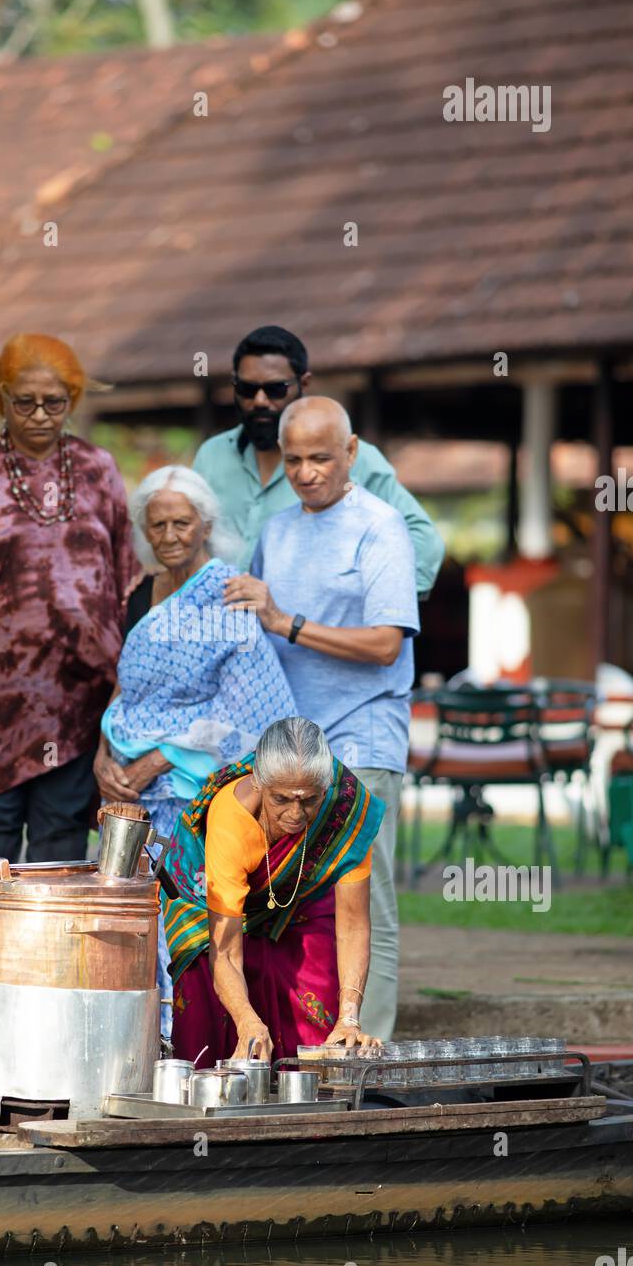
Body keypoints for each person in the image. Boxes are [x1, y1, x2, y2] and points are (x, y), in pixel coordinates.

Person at [225, 397, 419, 1042]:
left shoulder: (380, 526)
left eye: (321, 458)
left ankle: (371, 1052)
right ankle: (302, 1049)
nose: (307, 472)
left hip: (361, 739)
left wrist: (289, 623)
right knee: (288, 906)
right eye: (294, 460)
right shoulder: (276, 530)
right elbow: (248, 624)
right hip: (288, 753)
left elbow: (386, 644)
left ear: (352, 452)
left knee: (364, 906)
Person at [0, 332, 138, 874]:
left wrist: (129, 679)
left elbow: (126, 577)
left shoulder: (98, 468)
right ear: (2, 397)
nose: (39, 414)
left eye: (54, 402)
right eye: (24, 402)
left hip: (81, 696)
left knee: (61, 840)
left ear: (72, 401)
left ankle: (52, 962)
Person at [94, 465, 297, 1035]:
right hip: (125, 791)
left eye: (182, 522)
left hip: (189, 796)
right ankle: (136, 1043)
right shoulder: (141, 593)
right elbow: (126, 688)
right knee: (130, 921)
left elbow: (243, 713)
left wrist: (157, 760)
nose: (170, 534)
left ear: (205, 525)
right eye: (157, 524)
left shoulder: (224, 592)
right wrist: (101, 756)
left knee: (192, 925)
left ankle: (189, 1045)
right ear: (143, 530)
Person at [162, 717, 385, 1062]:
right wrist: (247, 1022)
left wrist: (349, 1017)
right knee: (209, 1012)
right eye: (281, 799)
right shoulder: (231, 821)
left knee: (319, 1028)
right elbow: (226, 953)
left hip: (303, 896)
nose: (295, 814)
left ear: (325, 790)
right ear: (259, 783)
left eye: (309, 800)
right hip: (206, 902)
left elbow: (354, 925)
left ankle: (310, 1104)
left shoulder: (345, 812)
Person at [193, 324, 444, 590]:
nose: (260, 400)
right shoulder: (212, 455)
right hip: (225, 623)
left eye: (276, 389)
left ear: (304, 383)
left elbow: (423, 542)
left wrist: (363, 602)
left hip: (308, 629)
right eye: (246, 388)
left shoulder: (353, 458)